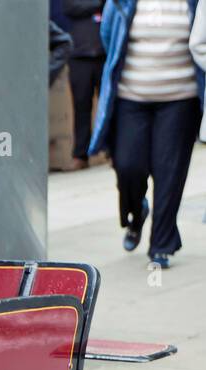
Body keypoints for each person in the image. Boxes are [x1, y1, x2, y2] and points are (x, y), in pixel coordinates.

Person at [90, 0, 203, 268]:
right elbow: (108, 36)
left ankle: (161, 245)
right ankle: (137, 210)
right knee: (128, 165)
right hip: (131, 98)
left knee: (169, 172)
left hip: (180, 99)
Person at [65, 0, 106, 168]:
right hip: (79, 55)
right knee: (81, 105)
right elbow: (70, 7)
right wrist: (96, 4)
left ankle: (112, 151)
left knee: (109, 105)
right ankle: (80, 155)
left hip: (104, 53)